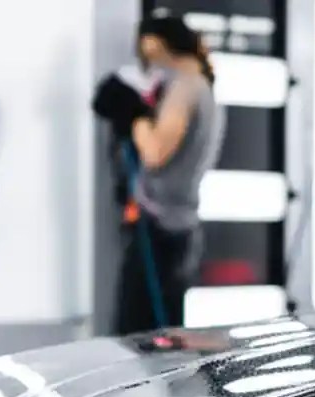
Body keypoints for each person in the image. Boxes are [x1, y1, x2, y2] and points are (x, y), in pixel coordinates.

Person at [93, 13, 225, 334]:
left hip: (159, 230)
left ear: (169, 49)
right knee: (163, 334)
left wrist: (133, 113)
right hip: (179, 227)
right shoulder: (204, 89)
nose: (151, 68)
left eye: (153, 57)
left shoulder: (184, 89)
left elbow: (153, 153)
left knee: (138, 338)